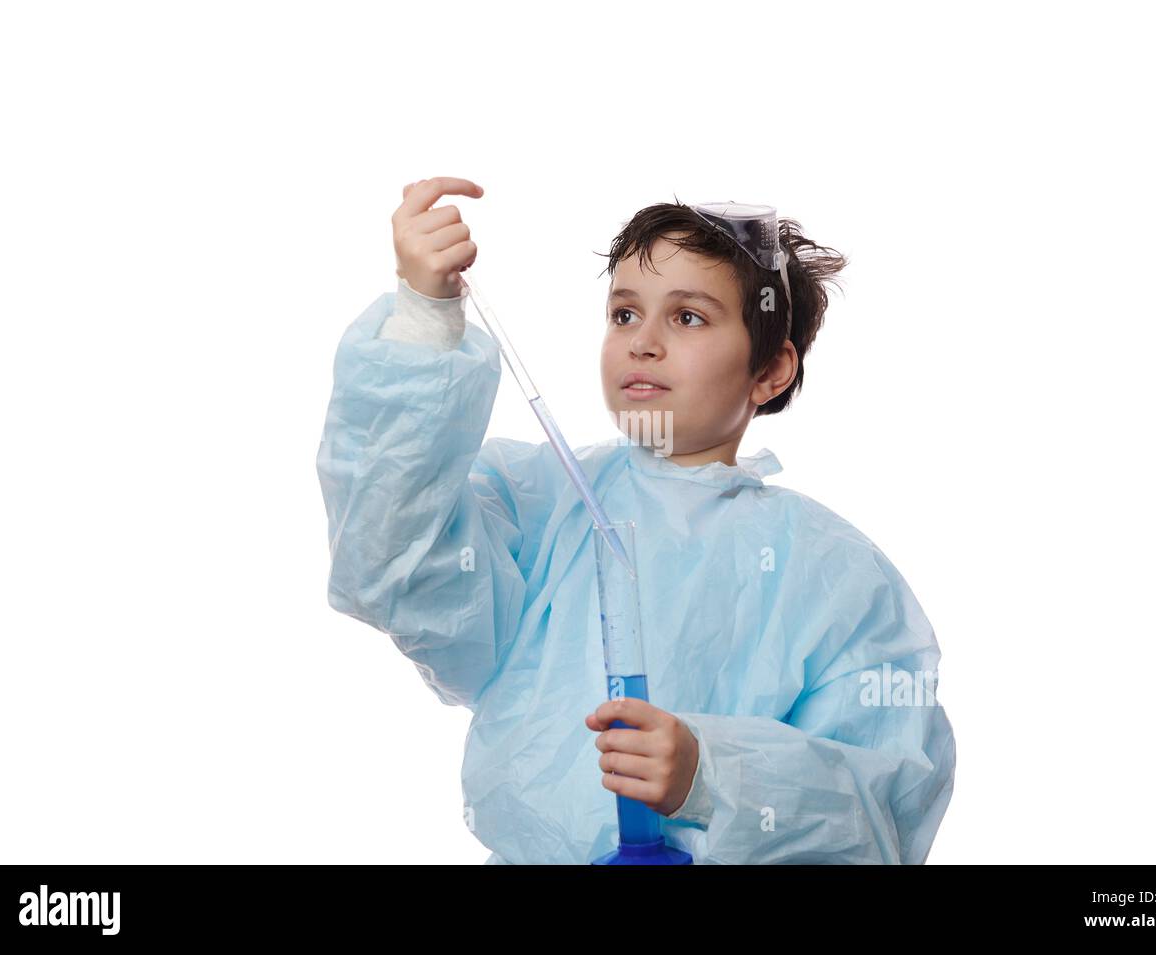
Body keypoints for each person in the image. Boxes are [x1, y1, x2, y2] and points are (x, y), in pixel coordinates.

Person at [315, 176, 957, 864]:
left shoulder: (835, 573)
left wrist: (711, 776)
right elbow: (387, 560)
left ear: (769, 370)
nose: (642, 342)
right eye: (624, 313)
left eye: (688, 317)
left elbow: (884, 807)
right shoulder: (541, 498)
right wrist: (424, 317)